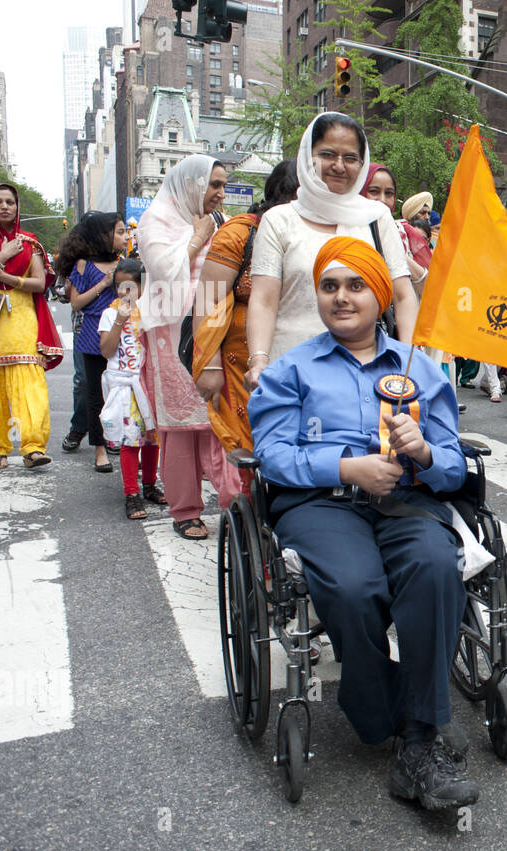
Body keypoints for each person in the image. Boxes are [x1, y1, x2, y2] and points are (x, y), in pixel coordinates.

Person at [248, 236, 478, 811]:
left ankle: (419, 746)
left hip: (406, 501)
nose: (341, 298)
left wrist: (423, 452)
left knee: (432, 566)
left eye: (355, 286)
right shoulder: (290, 370)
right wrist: (345, 465)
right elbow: (271, 455)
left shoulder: (420, 369)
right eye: (330, 287)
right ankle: (385, 714)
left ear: (380, 295)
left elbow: (453, 465)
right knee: (354, 585)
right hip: (318, 504)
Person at [245, 113, 418, 385]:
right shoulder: (278, 220)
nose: (339, 166)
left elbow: (404, 295)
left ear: (362, 164)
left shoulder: (376, 218)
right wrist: (259, 360)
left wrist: (410, 361)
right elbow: (264, 300)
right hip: (291, 372)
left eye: (350, 158)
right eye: (327, 154)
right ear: (307, 156)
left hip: (365, 373)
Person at [136, 155, 241, 539]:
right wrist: (197, 238)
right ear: (192, 184)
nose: (219, 193)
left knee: (220, 415)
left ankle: (234, 500)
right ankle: (185, 510)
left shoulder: (223, 221)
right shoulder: (157, 218)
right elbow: (162, 271)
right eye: (213, 185)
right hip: (171, 331)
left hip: (214, 325)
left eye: (223, 185)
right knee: (181, 426)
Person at [193, 159, 298, 457]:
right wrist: (210, 365)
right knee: (252, 448)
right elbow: (208, 298)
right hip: (242, 365)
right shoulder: (240, 233)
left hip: (298, 355)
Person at [0, 182, 63, 468]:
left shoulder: (29, 240)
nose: (6, 206)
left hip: (21, 318)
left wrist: (6, 277)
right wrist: (2, 257)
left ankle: (33, 447)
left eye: (11, 202)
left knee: (28, 382)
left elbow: (39, 283)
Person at [54, 212, 127, 473]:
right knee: (94, 391)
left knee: (118, 390)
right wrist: (105, 283)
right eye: (119, 232)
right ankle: (99, 449)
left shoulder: (123, 263)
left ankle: (115, 437)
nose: (125, 236)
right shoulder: (84, 265)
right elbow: (76, 303)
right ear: (103, 236)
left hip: (119, 334)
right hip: (90, 336)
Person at [98, 259, 165, 519]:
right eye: (118, 287)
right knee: (130, 438)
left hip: (148, 383)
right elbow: (106, 350)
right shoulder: (109, 313)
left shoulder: (153, 312)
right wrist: (119, 322)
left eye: (129, 287)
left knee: (151, 436)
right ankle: (131, 493)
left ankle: (149, 484)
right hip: (126, 386)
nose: (122, 293)